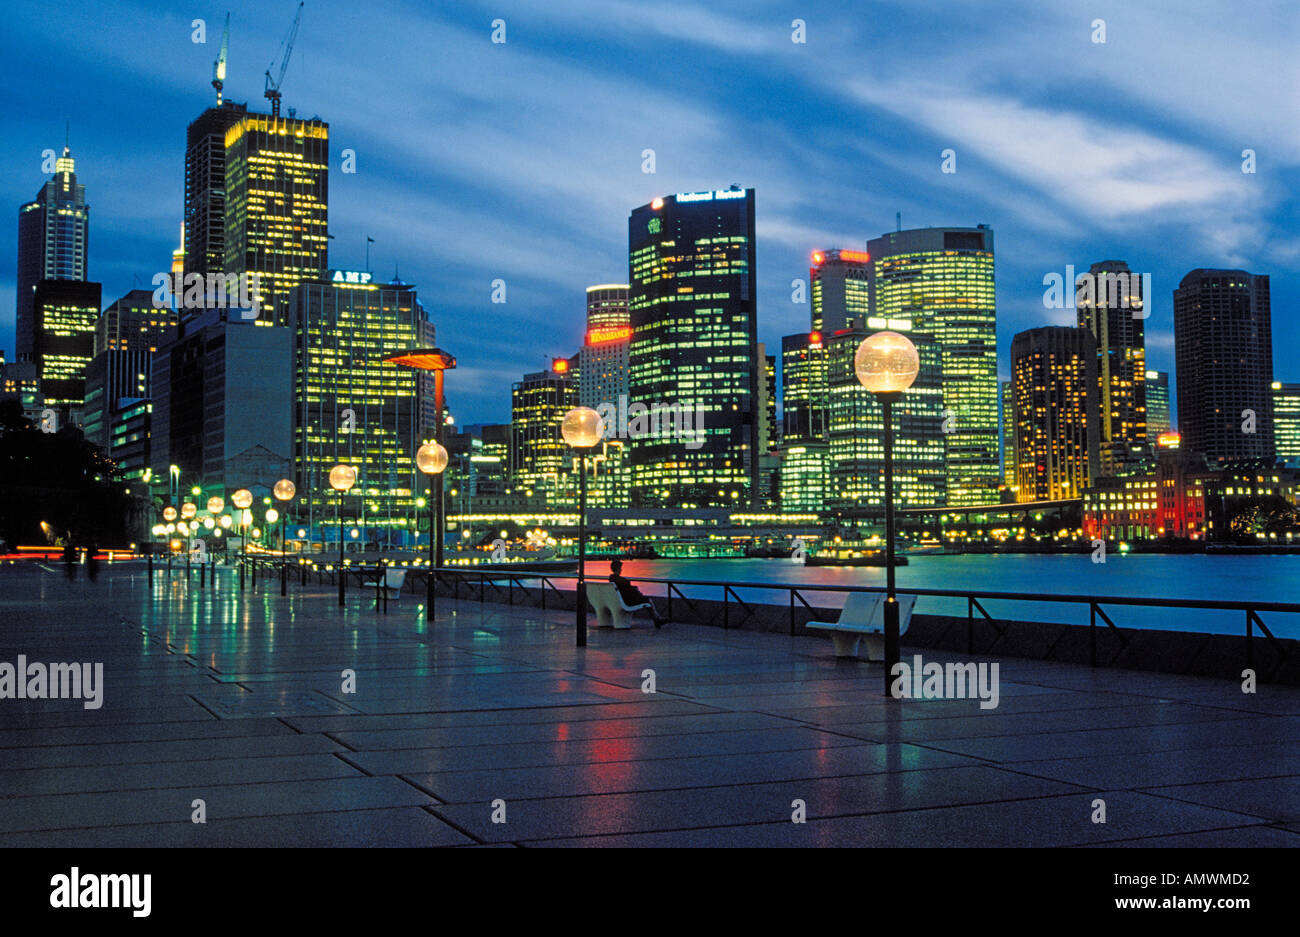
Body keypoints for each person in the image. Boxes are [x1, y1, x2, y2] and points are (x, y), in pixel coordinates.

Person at [609, 558, 667, 628]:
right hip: (627, 602)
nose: (621, 569)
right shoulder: (623, 580)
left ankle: (657, 618)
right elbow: (630, 592)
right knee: (648, 600)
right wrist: (638, 593)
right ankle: (657, 619)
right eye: (620, 568)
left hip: (618, 600)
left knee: (644, 598)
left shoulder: (611, 579)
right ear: (619, 569)